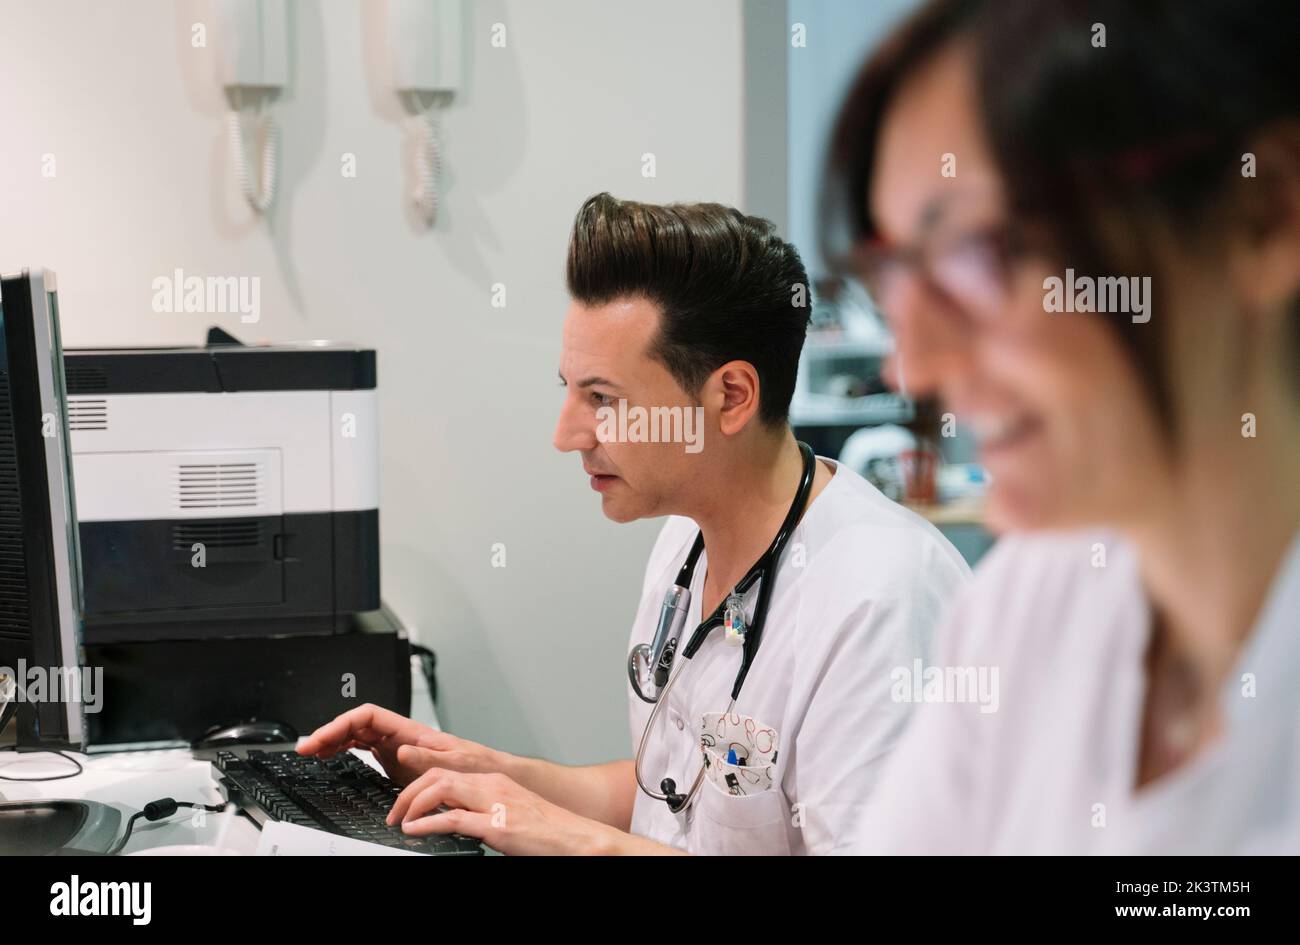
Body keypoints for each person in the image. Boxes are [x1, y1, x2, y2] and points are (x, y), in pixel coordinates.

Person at [298, 193, 969, 854]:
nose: (566, 434)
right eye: (568, 389)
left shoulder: (881, 597)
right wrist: (491, 777)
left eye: (601, 398)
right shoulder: (686, 540)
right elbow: (679, 804)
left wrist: (581, 843)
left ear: (731, 396)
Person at [822, 0, 1300, 853]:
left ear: (1265, 212)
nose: (914, 368)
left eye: (982, 251)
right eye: (893, 275)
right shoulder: (1027, 606)